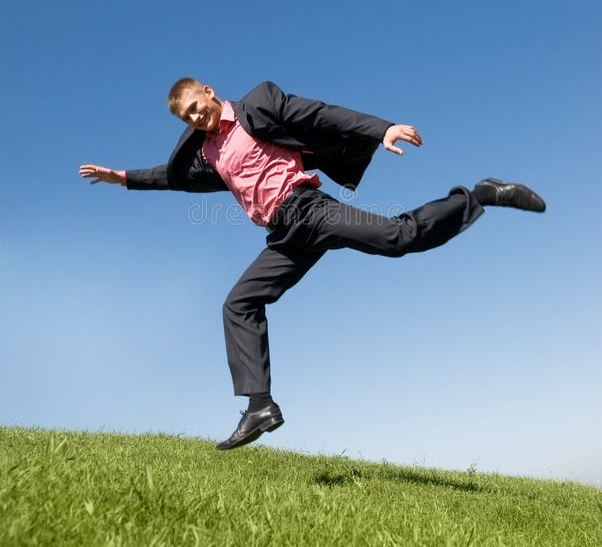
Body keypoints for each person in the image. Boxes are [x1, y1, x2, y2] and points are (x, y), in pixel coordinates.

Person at [79, 78, 545, 450]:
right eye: (185, 117)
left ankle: (479, 194)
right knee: (238, 304)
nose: (195, 117)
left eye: (195, 107)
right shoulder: (207, 153)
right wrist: (121, 178)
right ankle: (259, 405)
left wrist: (380, 129)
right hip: (285, 235)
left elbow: (318, 113)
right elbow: (172, 177)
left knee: (400, 238)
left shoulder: (258, 105)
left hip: (309, 210)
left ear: (207, 91)